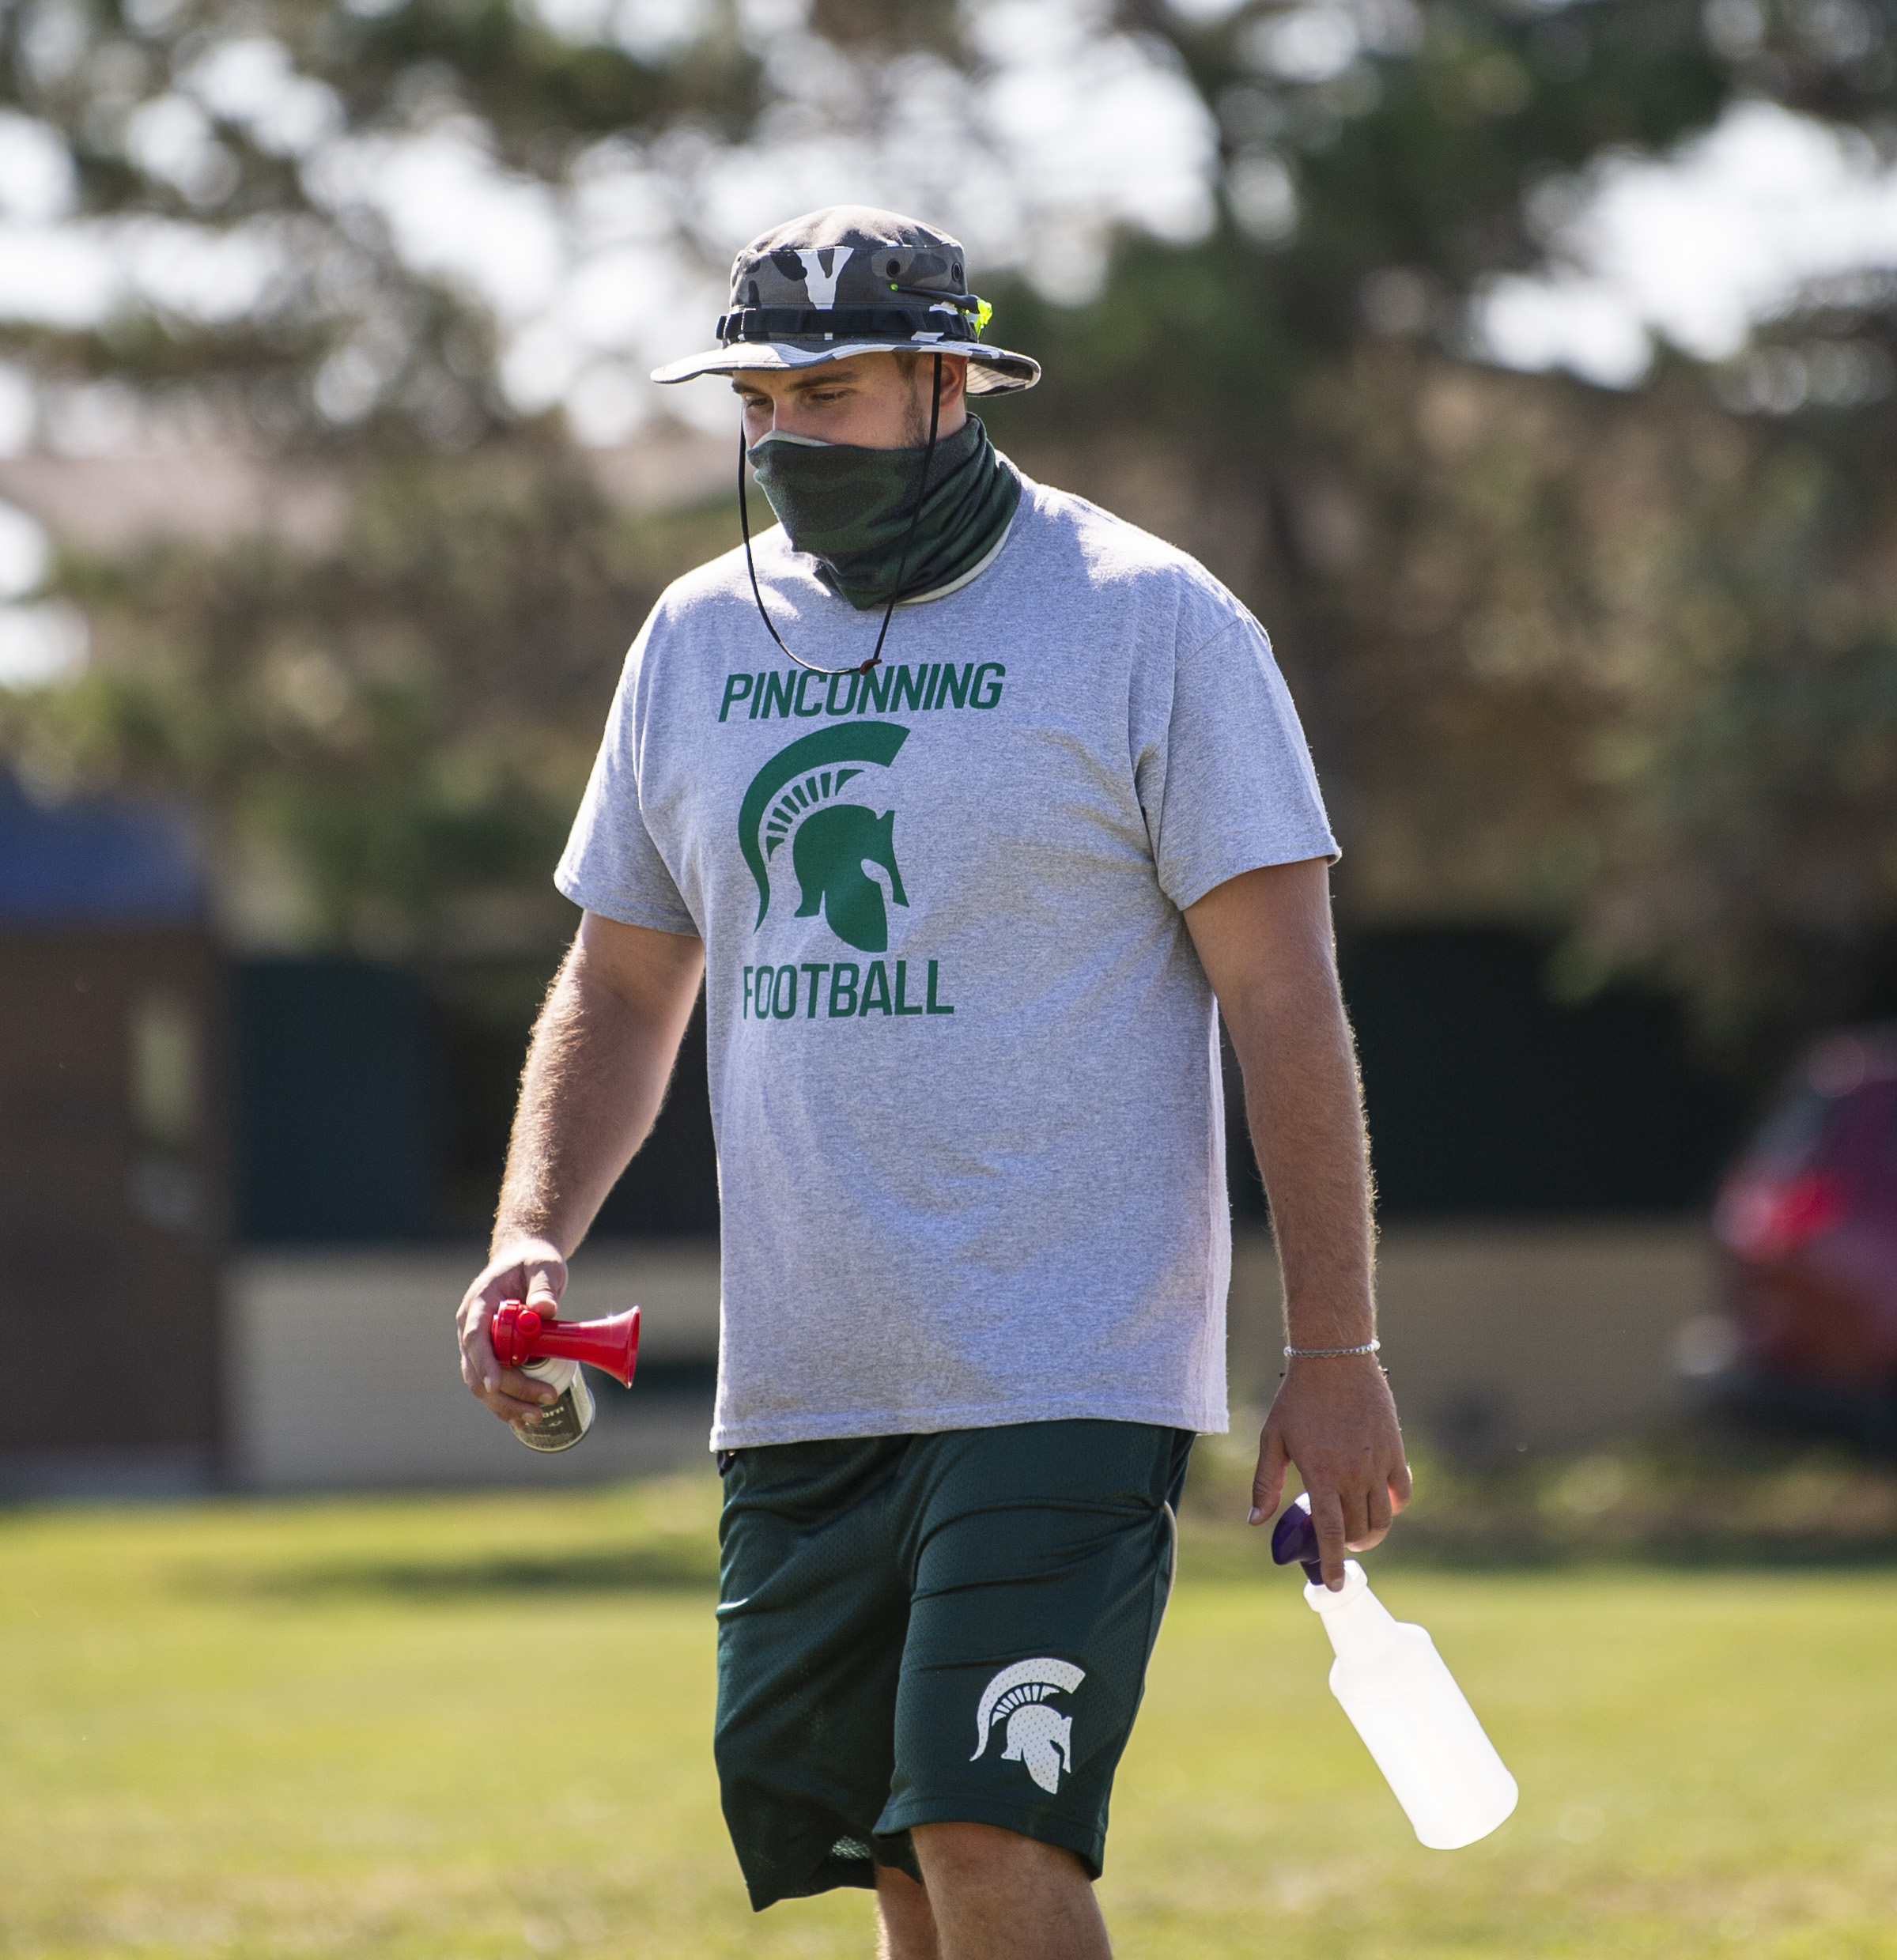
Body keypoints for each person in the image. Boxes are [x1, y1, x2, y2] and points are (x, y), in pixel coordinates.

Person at [450, 207, 1408, 1960]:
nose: (786, 436)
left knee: (986, 1828)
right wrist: (532, 1232)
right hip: (807, 1381)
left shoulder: (1152, 623)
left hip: (1064, 1361)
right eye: (761, 399)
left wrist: (1333, 1353)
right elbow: (622, 972)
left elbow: (1283, 1000)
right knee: (898, 1870)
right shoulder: (691, 640)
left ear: (947, 377)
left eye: (830, 391)